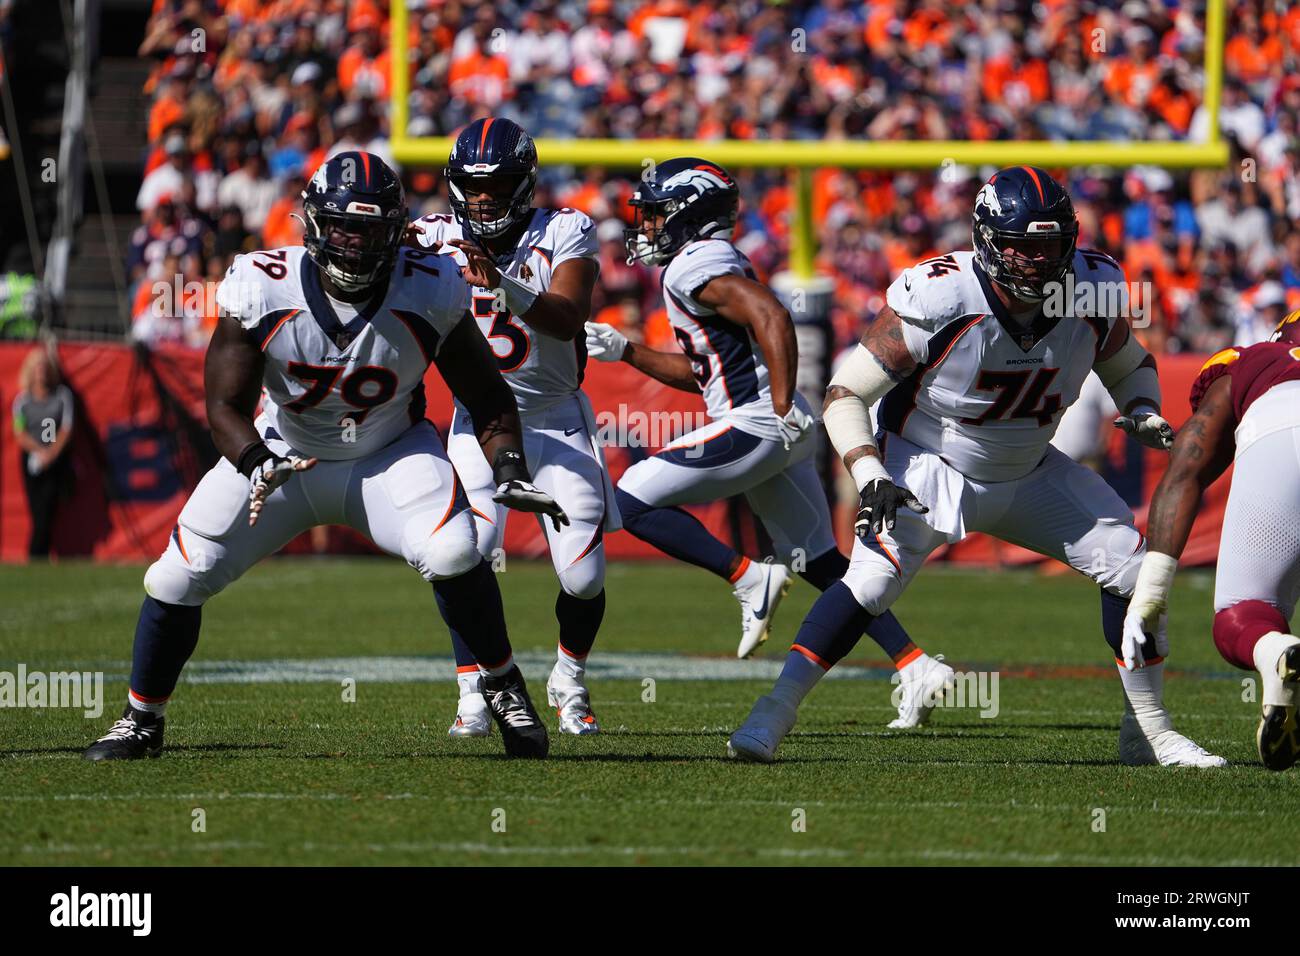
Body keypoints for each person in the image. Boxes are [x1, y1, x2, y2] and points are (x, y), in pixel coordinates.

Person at [729, 165, 1222, 767]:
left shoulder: (1092, 288)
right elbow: (844, 396)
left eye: (1051, 246)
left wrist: (1141, 407)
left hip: (1030, 467)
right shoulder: (942, 292)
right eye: (1023, 247)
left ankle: (1147, 732)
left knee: (1134, 570)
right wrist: (870, 475)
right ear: (988, 240)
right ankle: (773, 712)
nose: (1040, 263)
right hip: (930, 462)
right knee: (870, 583)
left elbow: (1128, 365)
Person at [83, 152, 566, 761]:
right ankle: (140, 720)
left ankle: (500, 683)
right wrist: (257, 460)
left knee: (455, 549)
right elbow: (224, 406)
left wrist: (509, 468)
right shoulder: (261, 283)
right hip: (284, 452)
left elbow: (487, 396)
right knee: (176, 575)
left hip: (388, 455)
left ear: (396, 231)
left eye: (371, 230)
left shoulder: (432, 285)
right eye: (344, 227)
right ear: (314, 223)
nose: (357, 244)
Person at [586, 157, 940, 726]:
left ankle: (748, 575)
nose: (646, 225)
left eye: (655, 213)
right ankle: (915, 663)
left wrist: (778, 406)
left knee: (625, 499)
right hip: (776, 421)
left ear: (688, 213)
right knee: (823, 563)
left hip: (761, 422)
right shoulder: (702, 264)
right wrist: (626, 350)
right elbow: (700, 373)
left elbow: (773, 314)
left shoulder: (693, 265)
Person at [409, 117, 616, 738]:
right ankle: (475, 689)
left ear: (524, 186)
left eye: (495, 189)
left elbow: (568, 317)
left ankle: (568, 677)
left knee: (583, 578)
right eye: (471, 189)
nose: (481, 201)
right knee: (461, 554)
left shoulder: (565, 229)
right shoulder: (433, 235)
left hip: (555, 419)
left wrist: (504, 285)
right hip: (479, 417)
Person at [1125, 309, 1300, 770]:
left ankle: (1275, 650)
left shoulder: (1257, 358)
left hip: (1285, 420)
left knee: (1242, 618)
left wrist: (1151, 589)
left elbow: (1187, 471)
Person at [12, 348, 74, 557]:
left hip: (55, 459)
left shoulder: (62, 396)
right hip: (32, 459)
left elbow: (66, 428)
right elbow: (20, 432)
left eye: (44, 367)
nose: (41, 372)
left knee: (49, 507)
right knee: (37, 510)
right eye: (37, 367)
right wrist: (39, 452)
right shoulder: (23, 401)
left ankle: (36, 555)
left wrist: (51, 453)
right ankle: (37, 555)